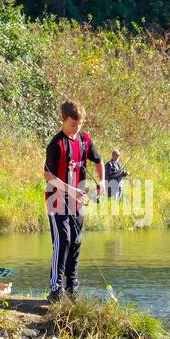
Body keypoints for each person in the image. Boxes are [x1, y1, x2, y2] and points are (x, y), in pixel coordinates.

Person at [43, 99, 103, 302]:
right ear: (64, 120)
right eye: (73, 124)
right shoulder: (56, 144)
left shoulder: (84, 140)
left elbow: (99, 160)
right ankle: (55, 289)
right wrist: (71, 190)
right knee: (63, 241)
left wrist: (102, 182)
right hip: (56, 201)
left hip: (78, 202)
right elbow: (48, 175)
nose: (76, 128)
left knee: (76, 241)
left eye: (80, 124)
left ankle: (72, 288)